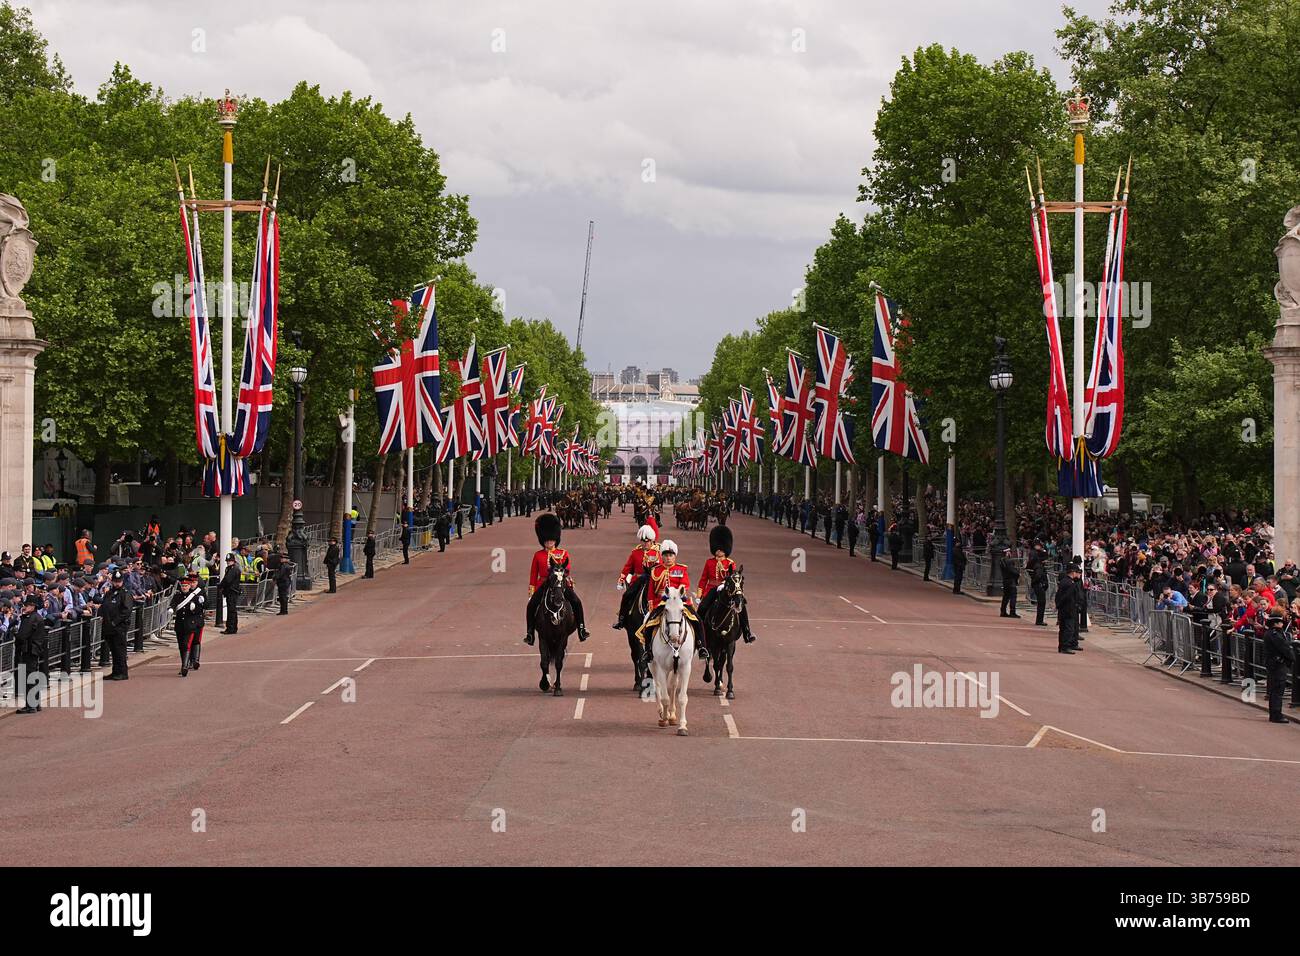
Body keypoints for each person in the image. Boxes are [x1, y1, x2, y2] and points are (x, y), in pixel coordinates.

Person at [523, 513, 589, 645]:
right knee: (531, 606)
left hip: (559, 583)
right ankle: (530, 633)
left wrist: (559, 572)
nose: (549, 542)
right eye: (547, 541)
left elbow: (567, 568)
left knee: (576, 602)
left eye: (551, 540)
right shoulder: (538, 555)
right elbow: (533, 574)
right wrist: (532, 591)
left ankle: (581, 629)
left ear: (555, 539)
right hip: (543, 584)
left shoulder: (563, 553)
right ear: (543, 540)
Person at [695, 524, 755, 650]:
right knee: (702, 608)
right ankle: (698, 635)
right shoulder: (709, 562)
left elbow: (734, 577)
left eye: (721, 548)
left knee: (742, 607)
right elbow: (703, 579)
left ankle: (747, 632)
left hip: (727, 590)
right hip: (711, 590)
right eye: (717, 548)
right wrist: (699, 594)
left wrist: (725, 585)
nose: (719, 550)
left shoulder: (730, 563)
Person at [637, 539, 694, 664]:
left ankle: (701, 646)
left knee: (697, 621)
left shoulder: (681, 569)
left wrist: (678, 593)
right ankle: (648, 651)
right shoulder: (655, 570)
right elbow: (651, 591)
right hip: (660, 602)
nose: (668, 558)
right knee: (648, 623)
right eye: (666, 555)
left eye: (671, 555)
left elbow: (684, 584)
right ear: (662, 556)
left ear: (675, 556)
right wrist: (652, 604)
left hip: (679, 601)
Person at [612, 524, 658, 630]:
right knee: (627, 596)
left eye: (647, 541)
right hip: (638, 580)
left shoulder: (657, 553)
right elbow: (627, 568)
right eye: (643, 541)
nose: (645, 544)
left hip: (653, 581)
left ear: (651, 541)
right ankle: (621, 619)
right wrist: (621, 580)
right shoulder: (635, 553)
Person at [14, 595, 48, 713]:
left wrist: (16, 636)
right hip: (34, 650)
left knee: (29, 678)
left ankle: (31, 705)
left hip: (29, 650)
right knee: (33, 677)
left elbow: (22, 635)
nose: (25, 607)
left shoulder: (31, 618)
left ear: (33, 606)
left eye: (27, 605)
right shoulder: (36, 617)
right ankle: (36, 703)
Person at [169, 572, 206, 677]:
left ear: (190, 586)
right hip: (180, 625)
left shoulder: (195, 596)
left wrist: (195, 608)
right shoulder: (178, 595)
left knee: (187, 644)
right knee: (181, 646)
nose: (184, 587)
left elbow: (200, 609)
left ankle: (185, 666)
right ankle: (184, 663)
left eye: (186, 586)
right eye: (183, 586)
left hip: (190, 624)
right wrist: (171, 608)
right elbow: (173, 603)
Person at [98, 569, 134, 679]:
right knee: (113, 650)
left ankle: (122, 672)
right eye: (115, 581)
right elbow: (104, 605)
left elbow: (126, 611)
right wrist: (101, 616)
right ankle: (115, 671)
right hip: (109, 626)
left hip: (119, 627)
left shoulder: (125, 594)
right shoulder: (109, 593)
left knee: (120, 650)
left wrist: (115, 622)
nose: (117, 583)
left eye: (119, 581)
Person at [1263, 609, 1294, 723]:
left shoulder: (1271, 633)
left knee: (1274, 689)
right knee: (1277, 689)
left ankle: (1274, 713)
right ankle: (1276, 714)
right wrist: (1292, 658)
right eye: (1280, 622)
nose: (1282, 624)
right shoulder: (1275, 634)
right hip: (1277, 665)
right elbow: (1284, 648)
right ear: (1275, 623)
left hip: (1273, 664)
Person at [1056, 564, 1082, 654]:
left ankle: (1062, 646)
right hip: (1068, 608)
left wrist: (1058, 605)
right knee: (1069, 628)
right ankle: (1065, 646)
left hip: (1063, 609)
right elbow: (1067, 596)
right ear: (1073, 572)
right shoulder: (1070, 583)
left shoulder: (1064, 581)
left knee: (1063, 628)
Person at [218, 553, 241, 634]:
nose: (228, 562)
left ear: (233, 561)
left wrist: (220, 585)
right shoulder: (232, 568)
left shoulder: (233, 569)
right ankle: (233, 627)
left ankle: (231, 628)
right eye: (227, 561)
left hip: (232, 591)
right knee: (232, 610)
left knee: (231, 611)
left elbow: (227, 580)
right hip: (231, 591)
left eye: (230, 561)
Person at [999, 548, 1021, 618]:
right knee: (1013, 596)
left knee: (1006, 596)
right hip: (1011, 581)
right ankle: (1012, 611)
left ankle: (1003, 611)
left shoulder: (1002, 561)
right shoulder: (1009, 561)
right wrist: (1018, 574)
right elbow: (1013, 571)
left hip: (1005, 581)